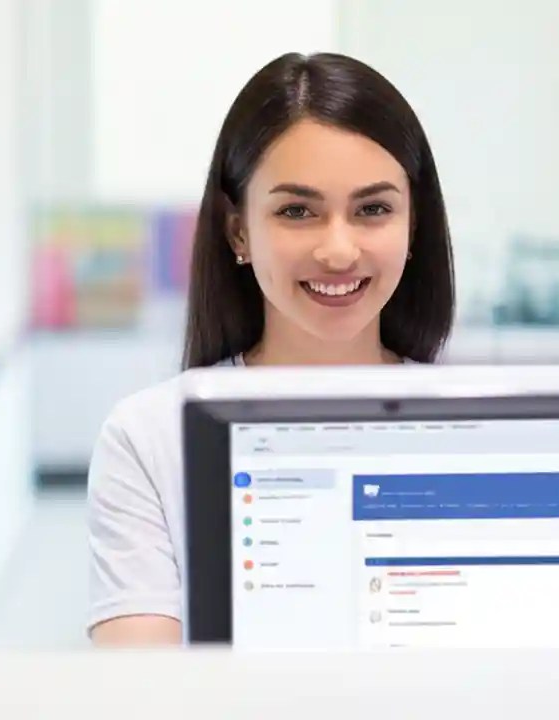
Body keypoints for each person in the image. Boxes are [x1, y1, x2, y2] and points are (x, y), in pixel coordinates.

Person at [86, 52, 455, 646]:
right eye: (297, 211)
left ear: (413, 226)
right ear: (238, 231)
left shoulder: (479, 421)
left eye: (373, 209)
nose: (338, 250)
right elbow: (140, 692)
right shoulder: (149, 436)